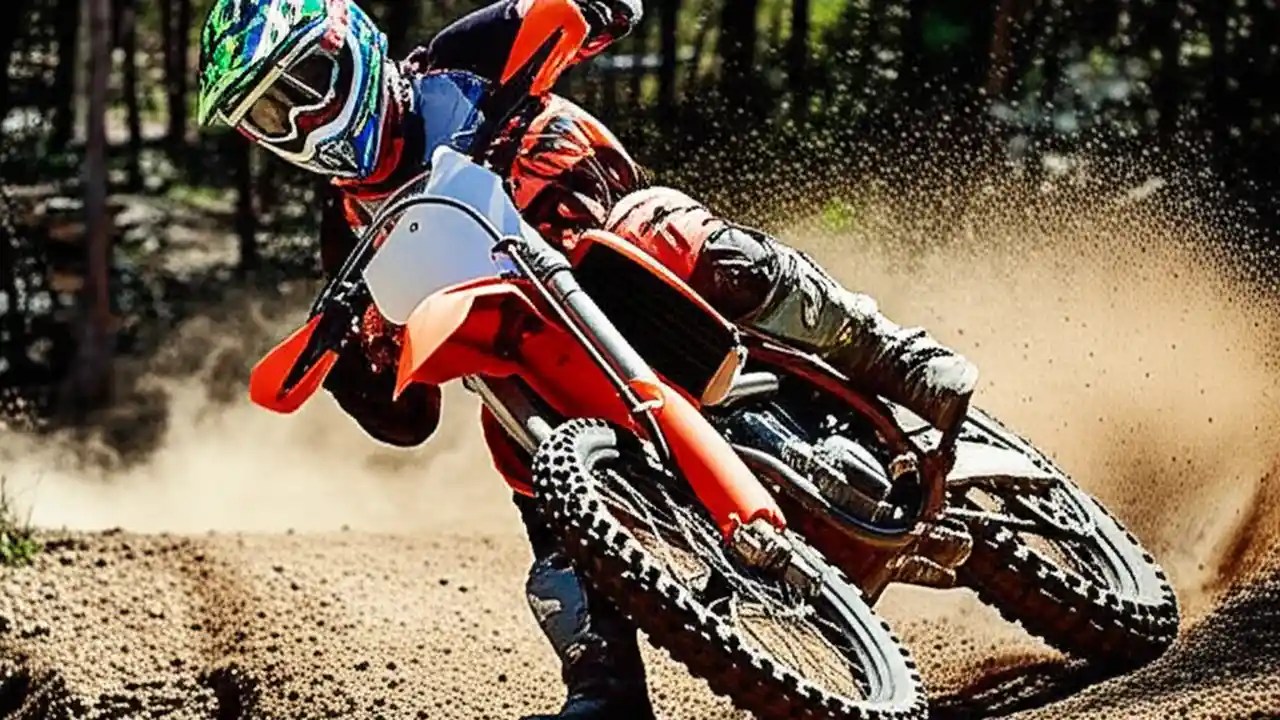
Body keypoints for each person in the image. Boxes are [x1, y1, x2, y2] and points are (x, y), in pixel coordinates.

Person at [197, 1, 978, 718]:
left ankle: (889, 351)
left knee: (666, 234)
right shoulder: (347, 232)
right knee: (518, 439)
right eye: (271, 116)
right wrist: (348, 367)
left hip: (614, 244)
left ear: (353, 45)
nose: (299, 120)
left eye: (307, 82)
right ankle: (603, 683)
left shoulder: (462, 59)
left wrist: (583, 8)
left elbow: (585, 12)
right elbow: (410, 419)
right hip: (537, 340)